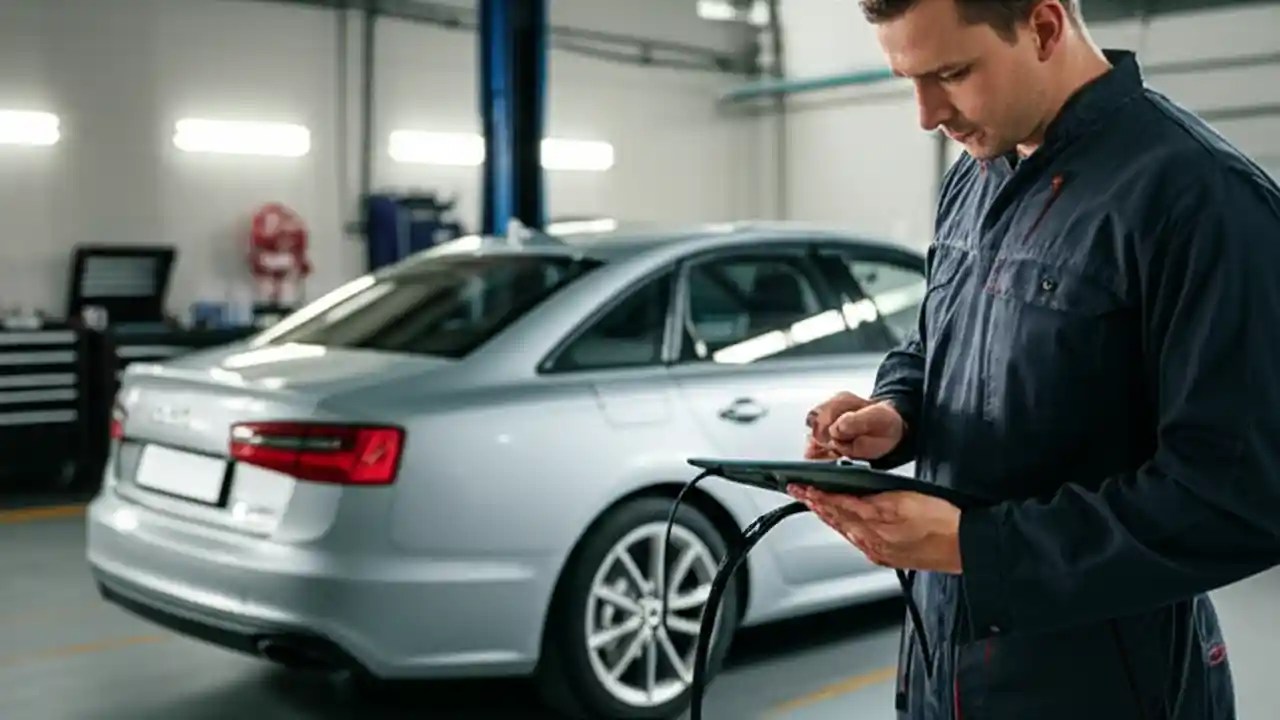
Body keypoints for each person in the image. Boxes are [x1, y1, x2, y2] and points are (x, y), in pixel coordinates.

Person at [793, 0, 1280, 717]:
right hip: (942, 667)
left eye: (952, 73)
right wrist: (896, 412)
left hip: (1107, 687)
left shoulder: (1200, 199)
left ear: (1045, 26)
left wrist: (978, 548)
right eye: (910, 79)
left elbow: (1238, 499)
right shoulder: (974, 176)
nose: (927, 115)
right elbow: (935, 342)